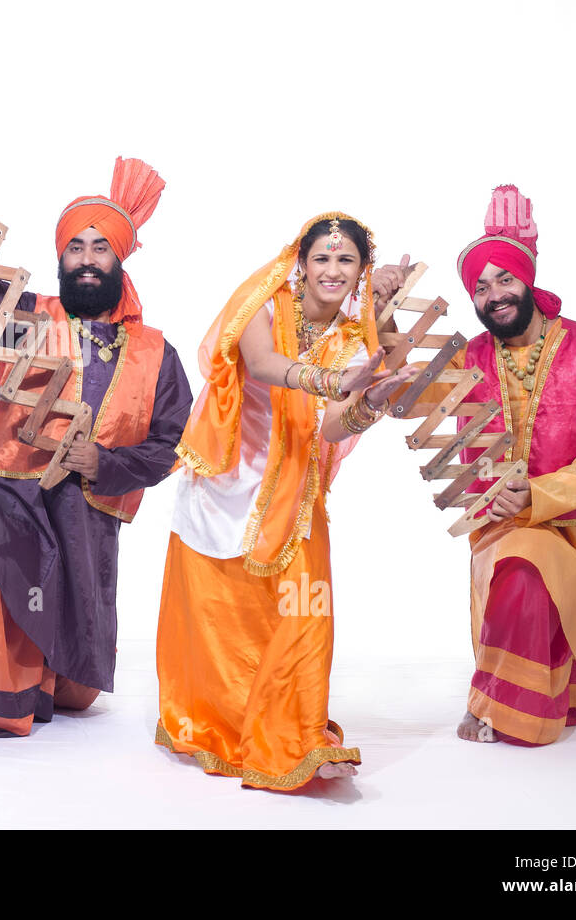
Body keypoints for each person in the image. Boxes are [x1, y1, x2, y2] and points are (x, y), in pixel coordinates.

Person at [0, 135, 194, 738]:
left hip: (84, 512)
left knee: (75, 690)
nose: (88, 258)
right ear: (61, 257)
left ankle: (45, 677)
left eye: (101, 248)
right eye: (76, 247)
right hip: (12, 492)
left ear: (120, 260)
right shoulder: (27, 319)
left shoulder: (155, 351)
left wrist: (105, 462)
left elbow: (172, 443)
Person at [155, 213, 417, 790]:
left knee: (304, 610)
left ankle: (289, 739)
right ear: (300, 264)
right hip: (226, 477)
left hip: (295, 486)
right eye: (321, 258)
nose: (331, 270)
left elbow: (332, 427)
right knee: (221, 613)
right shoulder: (267, 299)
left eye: (345, 260)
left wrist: (372, 402)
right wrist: (327, 381)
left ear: (359, 273)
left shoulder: (355, 339)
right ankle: (219, 727)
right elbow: (261, 364)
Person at [451, 184, 576, 746]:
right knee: (524, 560)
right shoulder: (468, 360)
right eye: (480, 288)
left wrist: (540, 495)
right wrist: (377, 308)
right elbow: (413, 403)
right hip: (507, 533)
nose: (495, 296)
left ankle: (512, 693)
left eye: (504, 279)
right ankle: (505, 707)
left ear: (528, 280)